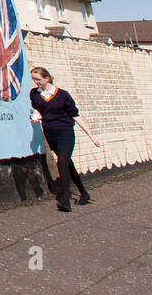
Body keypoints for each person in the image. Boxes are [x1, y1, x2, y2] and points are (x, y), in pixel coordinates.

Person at [29, 66, 101, 211]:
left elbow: (75, 115)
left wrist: (91, 135)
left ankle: (65, 199)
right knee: (67, 163)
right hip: (50, 133)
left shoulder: (63, 95)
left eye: (39, 80)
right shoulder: (34, 94)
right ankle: (84, 194)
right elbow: (38, 109)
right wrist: (36, 115)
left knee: (62, 161)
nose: (36, 82)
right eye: (34, 80)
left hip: (65, 133)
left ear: (47, 78)